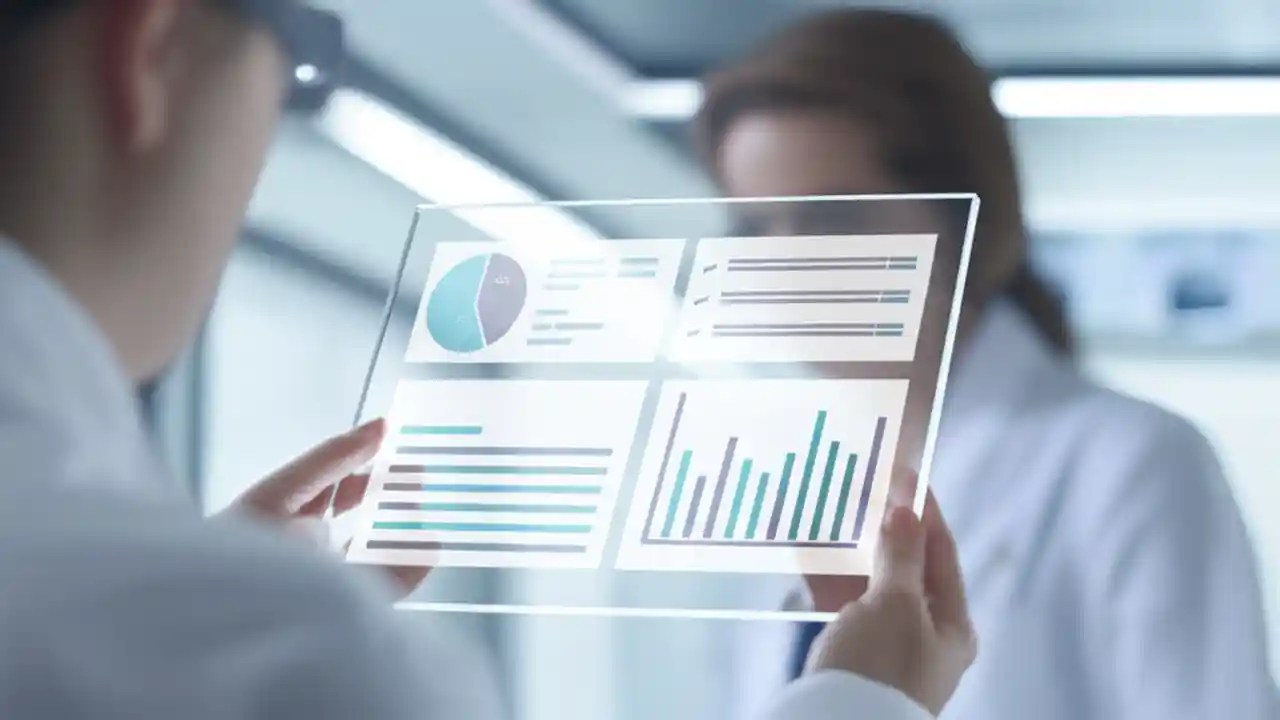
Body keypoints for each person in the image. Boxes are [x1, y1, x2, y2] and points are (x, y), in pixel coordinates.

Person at [0, 1, 976, 718]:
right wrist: (863, 705)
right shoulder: (287, 655)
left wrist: (199, 612)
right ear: (151, 51)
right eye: (296, 67)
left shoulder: (203, 628)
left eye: (831, 220)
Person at [692, 9, 1278, 720]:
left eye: (833, 220)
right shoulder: (782, 489)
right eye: (756, 229)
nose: (790, 268)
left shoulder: (1131, 463)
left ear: (959, 221)